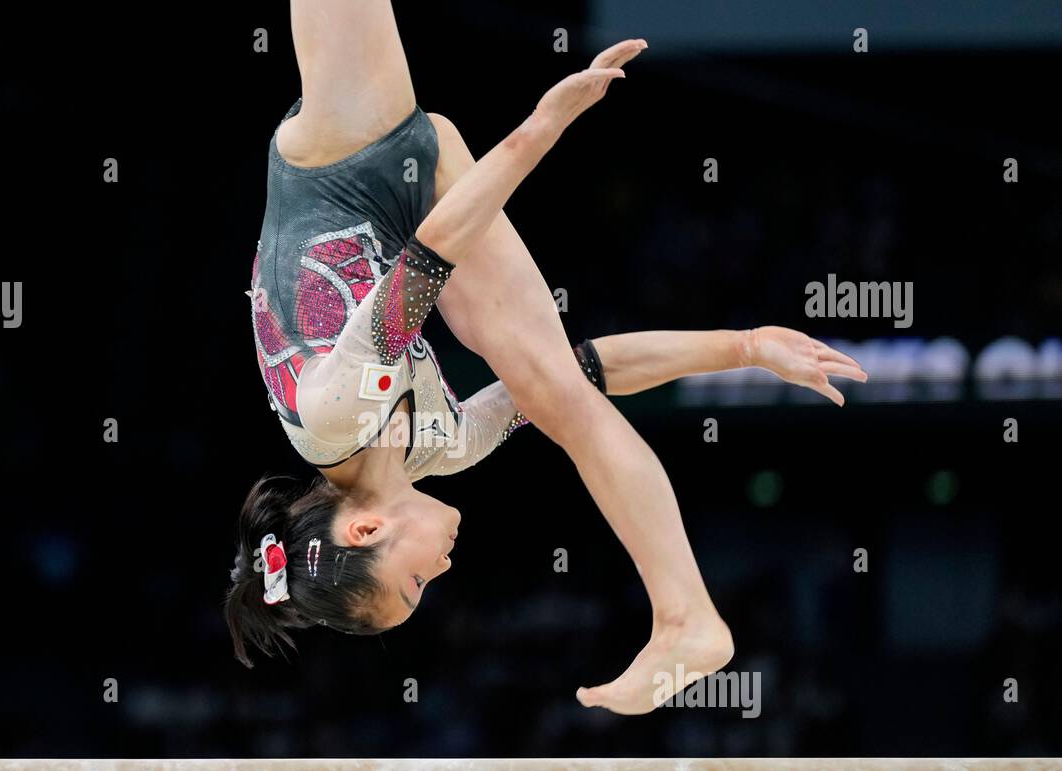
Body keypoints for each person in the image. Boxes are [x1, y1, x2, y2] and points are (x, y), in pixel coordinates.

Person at [227, 1, 865, 715]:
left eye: (415, 584)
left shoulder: (332, 411)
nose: (440, 573)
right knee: (558, 389)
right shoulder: (446, 445)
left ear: (366, 529)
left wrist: (542, 127)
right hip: (420, 206)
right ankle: (685, 616)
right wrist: (742, 348)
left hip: (344, 161)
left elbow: (429, 263)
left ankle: (686, 617)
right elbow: (592, 369)